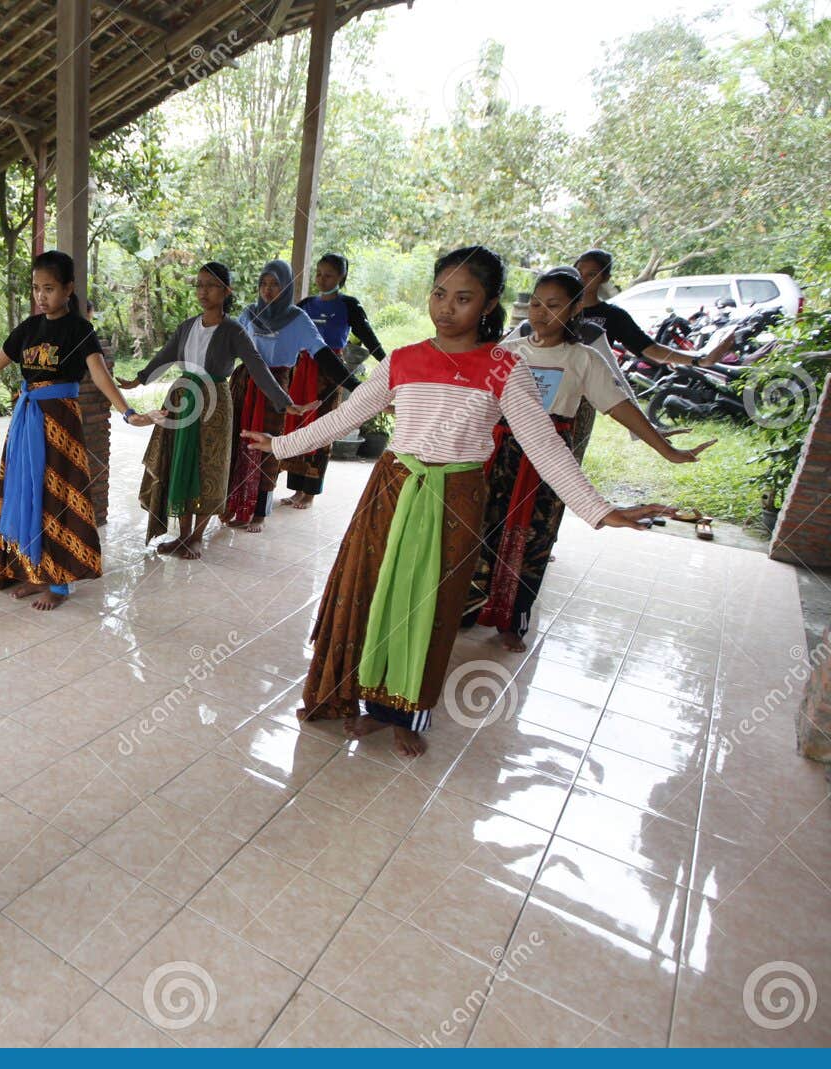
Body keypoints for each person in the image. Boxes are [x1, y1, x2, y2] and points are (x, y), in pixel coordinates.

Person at [244, 246, 665, 758]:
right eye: (440, 294)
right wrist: (282, 444)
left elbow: (544, 444)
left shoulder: (504, 367)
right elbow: (347, 415)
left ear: (488, 306)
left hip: (457, 498)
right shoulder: (404, 359)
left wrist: (600, 510)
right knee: (371, 593)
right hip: (392, 490)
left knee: (433, 607)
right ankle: (360, 700)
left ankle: (407, 713)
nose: (446, 308)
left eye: (463, 298)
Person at [465, 267, 714, 650]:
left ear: (575, 308)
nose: (540, 313)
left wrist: (667, 450)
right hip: (498, 452)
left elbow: (620, 407)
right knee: (480, 528)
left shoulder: (583, 359)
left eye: (553, 305)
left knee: (535, 537)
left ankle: (513, 620)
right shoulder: (507, 352)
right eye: (534, 303)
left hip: (546, 460)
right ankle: (466, 607)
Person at [0, 250, 153, 610]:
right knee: (25, 495)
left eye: (49, 288)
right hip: (26, 421)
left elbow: (99, 373)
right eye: (36, 288)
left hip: (60, 426)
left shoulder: (79, 330)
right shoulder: (28, 328)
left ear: (68, 289)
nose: (41, 296)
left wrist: (127, 411)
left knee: (58, 498)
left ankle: (59, 583)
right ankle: (32, 574)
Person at [124, 262, 305, 558]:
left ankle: (196, 537)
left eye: (211, 285)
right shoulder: (187, 327)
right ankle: (182, 535)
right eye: (199, 285)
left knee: (209, 466)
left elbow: (258, 367)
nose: (203, 291)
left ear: (226, 291)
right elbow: (165, 356)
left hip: (214, 404)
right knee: (181, 463)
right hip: (182, 400)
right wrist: (138, 379)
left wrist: (284, 402)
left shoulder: (233, 330)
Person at [570, 247, 733, 460]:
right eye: (579, 271)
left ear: (605, 277)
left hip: (583, 398)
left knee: (568, 459)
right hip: (547, 387)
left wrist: (700, 360)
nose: (582, 279)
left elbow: (652, 350)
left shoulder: (613, 316)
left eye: (591, 274)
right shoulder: (559, 308)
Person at [223, 259, 348, 532]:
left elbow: (323, 353)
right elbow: (231, 345)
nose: (268, 290)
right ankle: (235, 506)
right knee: (238, 442)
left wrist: (356, 385)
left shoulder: (297, 319)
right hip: (245, 384)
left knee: (269, 449)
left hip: (276, 389)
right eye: (263, 284)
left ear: (287, 286)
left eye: (275, 284)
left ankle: (259, 513)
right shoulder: (249, 313)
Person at [282, 252, 388, 508]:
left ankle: (310, 493)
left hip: (330, 374)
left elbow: (369, 338)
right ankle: (296, 488)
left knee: (323, 428)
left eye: (328, 275)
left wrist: (389, 365)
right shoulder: (305, 304)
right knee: (298, 426)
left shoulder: (349, 305)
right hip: (302, 370)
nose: (321, 279)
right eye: (318, 273)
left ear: (341, 277)